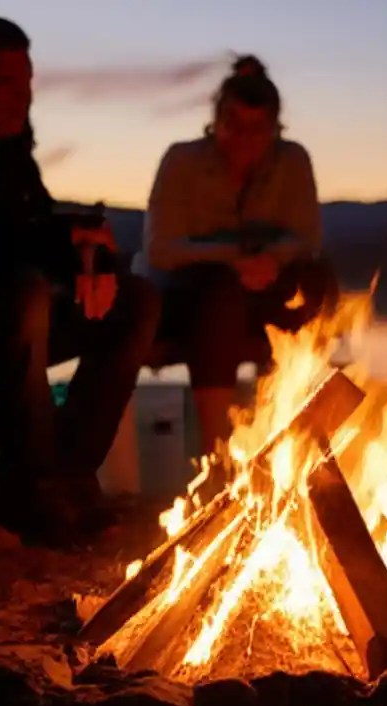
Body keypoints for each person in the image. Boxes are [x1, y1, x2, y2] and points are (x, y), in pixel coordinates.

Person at [0, 16, 161, 545]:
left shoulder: (13, 156)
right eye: (7, 82)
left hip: (24, 316)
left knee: (135, 301)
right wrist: (70, 241)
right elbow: (2, 246)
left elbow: (37, 226)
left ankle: (72, 475)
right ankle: (34, 489)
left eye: (28, 82)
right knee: (27, 293)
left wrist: (93, 256)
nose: (23, 97)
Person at [138, 56, 339, 457]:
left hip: (264, 286)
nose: (244, 139)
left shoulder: (291, 161)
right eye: (234, 125)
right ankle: (216, 456)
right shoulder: (183, 161)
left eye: (257, 129)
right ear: (216, 121)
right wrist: (233, 259)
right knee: (221, 294)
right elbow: (161, 248)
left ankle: (298, 445)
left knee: (316, 283)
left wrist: (271, 262)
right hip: (189, 294)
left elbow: (307, 238)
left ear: (274, 128)